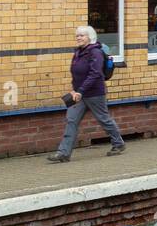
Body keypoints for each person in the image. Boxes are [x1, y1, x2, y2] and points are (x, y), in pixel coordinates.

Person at [50, 26, 125, 163]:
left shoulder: (95, 52)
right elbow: (76, 73)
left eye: (82, 35)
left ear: (90, 37)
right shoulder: (78, 52)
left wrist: (81, 90)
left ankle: (118, 143)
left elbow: (96, 74)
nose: (78, 38)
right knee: (71, 120)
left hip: (95, 93)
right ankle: (63, 153)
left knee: (103, 119)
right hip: (79, 94)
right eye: (77, 35)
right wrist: (74, 89)